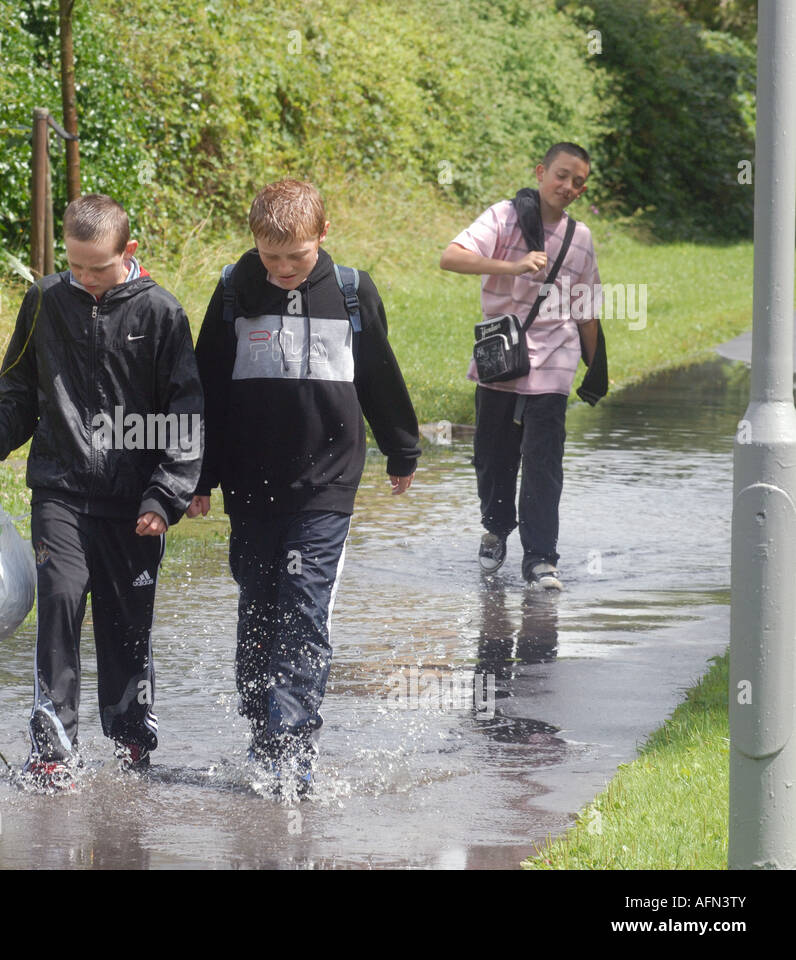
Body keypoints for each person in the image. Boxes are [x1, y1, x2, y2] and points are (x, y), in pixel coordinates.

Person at [0, 193, 202, 789]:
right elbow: (18, 391)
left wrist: (165, 496)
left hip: (135, 502)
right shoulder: (44, 300)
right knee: (60, 602)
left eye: (99, 267)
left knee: (125, 624)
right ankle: (53, 746)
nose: (85, 279)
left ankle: (131, 738)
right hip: (59, 490)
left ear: (129, 251)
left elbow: (185, 413)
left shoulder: (162, 314)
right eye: (75, 266)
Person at [190, 178, 421, 796]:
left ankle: (293, 741)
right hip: (250, 480)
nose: (286, 268)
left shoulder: (352, 292)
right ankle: (261, 722)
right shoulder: (234, 290)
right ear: (254, 244)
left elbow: (378, 374)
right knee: (259, 601)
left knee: (303, 605)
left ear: (323, 234)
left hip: (328, 482)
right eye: (272, 257)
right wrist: (201, 474)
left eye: (298, 255)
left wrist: (402, 445)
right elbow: (206, 384)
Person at [439, 142, 602, 590]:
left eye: (578, 181)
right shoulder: (502, 217)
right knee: (492, 456)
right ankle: (495, 529)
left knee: (543, 461)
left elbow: (586, 309)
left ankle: (541, 559)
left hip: (555, 358)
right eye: (562, 175)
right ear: (541, 172)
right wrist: (510, 266)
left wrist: (596, 365)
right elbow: (450, 257)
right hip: (501, 353)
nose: (568, 186)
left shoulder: (580, 238)